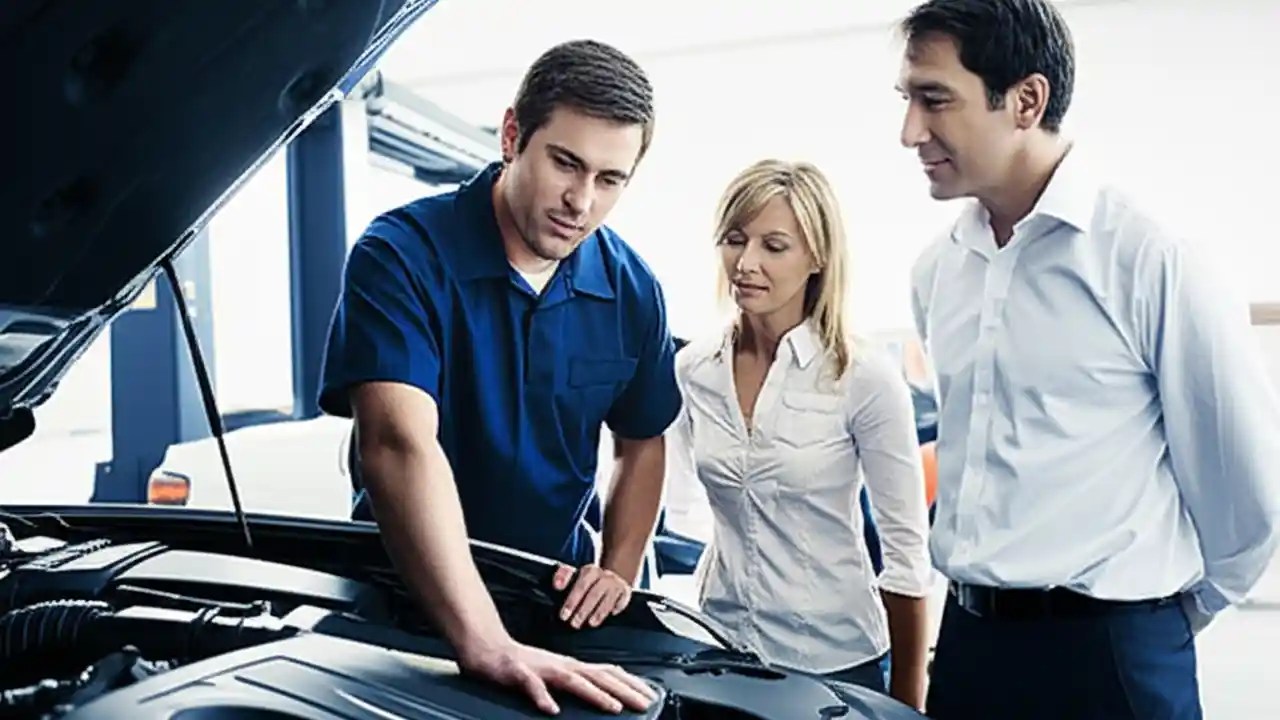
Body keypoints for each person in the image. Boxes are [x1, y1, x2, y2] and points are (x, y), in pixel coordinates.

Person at [897, 1, 1280, 717]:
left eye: (934, 99)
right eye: (908, 100)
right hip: (971, 649)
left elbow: (1246, 489)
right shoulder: (937, 272)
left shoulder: (1150, 256)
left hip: (1114, 654)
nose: (910, 131)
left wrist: (1157, 619)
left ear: (1026, 100)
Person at [317, 39, 681, 716]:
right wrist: (483, 638)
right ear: (513, 134)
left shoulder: (633, 290)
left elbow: (642, 441)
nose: (581, 201)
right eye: (565, 163)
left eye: (610, 180)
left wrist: (619, 570)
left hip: (552, 602)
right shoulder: (400, 255)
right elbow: (397, 444)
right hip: (400, 610)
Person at [666, 159, 934, 709]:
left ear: (817, 257)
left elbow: (907, 553)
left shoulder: (862, 376)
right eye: (735, 240)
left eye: (774, 246)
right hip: (722, 651)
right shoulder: (694, 369)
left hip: (837, 661)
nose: (746, 262)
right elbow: (679, 506)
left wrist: (906, 700)